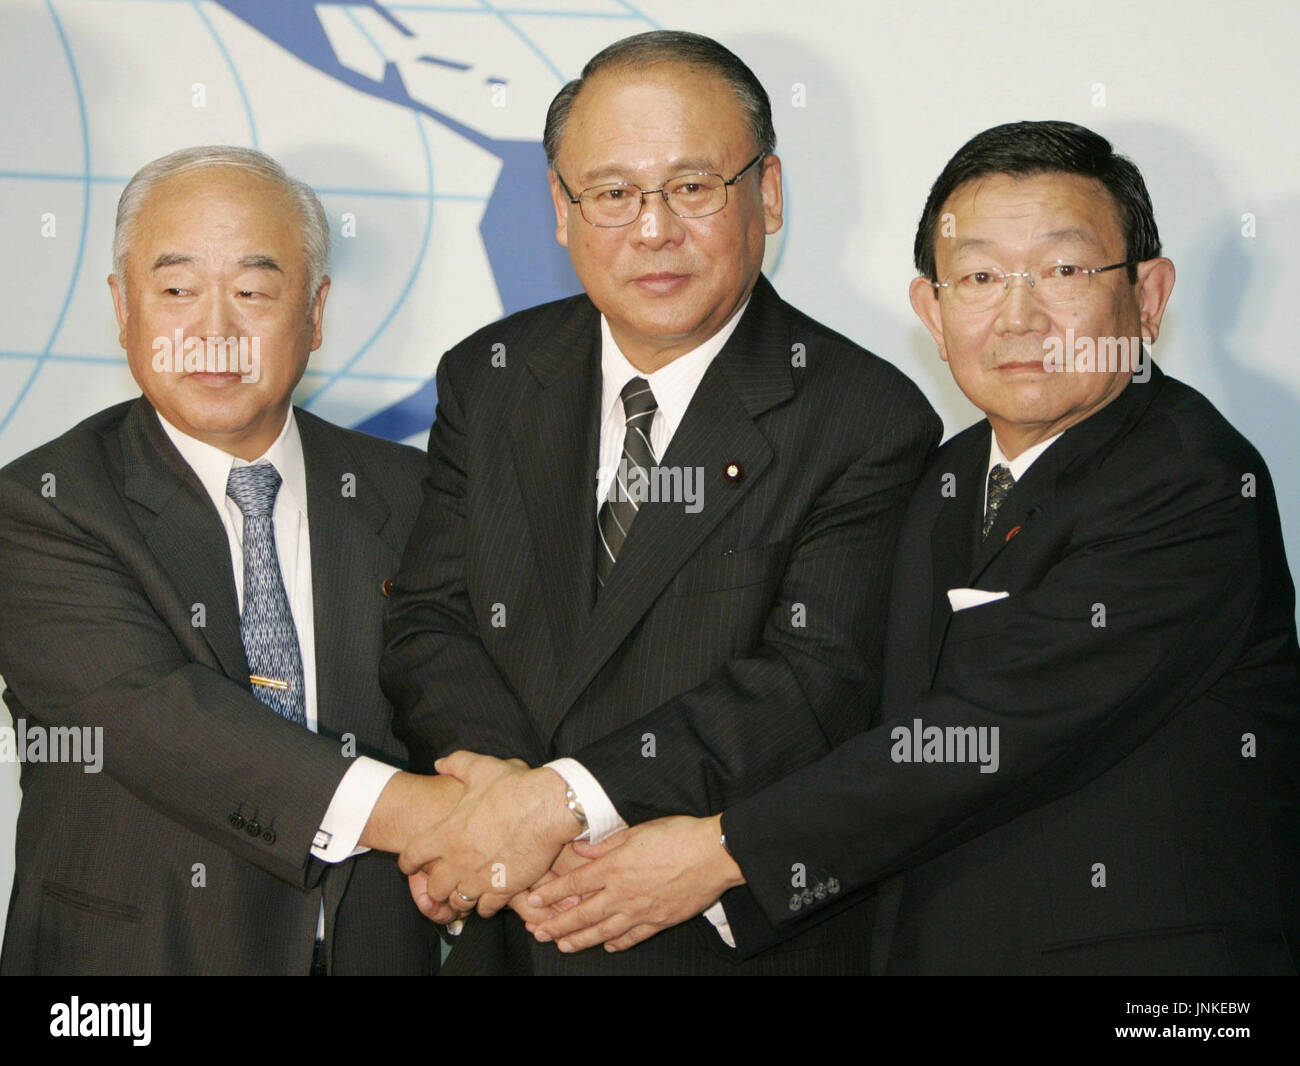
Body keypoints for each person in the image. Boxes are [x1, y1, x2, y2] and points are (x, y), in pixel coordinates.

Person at [525, 120, 1300, 975]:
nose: (1020, 315)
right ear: (931, 311)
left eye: (1065, 271)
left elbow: (983, 735)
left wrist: (718, 851)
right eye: (978, 277)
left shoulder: (1187, 477)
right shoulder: (942, 475)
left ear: (1148, 296)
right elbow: (844, 698)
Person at [381, 30, 940, 975]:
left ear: (766, 192)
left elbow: (812, 681)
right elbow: (431, 622)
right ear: (561, 210)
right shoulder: (492, 376)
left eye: (691, 187)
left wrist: (556, 806)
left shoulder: (864, 416)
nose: (652, 230)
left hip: (706, 943)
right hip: (513, 926)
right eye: (611, 194)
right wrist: (504, 807)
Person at [0, 146, 463, 975]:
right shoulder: (42, 504)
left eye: (253, 291)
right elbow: (155, 720)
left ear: (315, 312)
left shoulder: (416, 490)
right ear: (122, 307)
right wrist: (450, 823)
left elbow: (467, 696)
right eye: (176, 291)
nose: (213, 331)